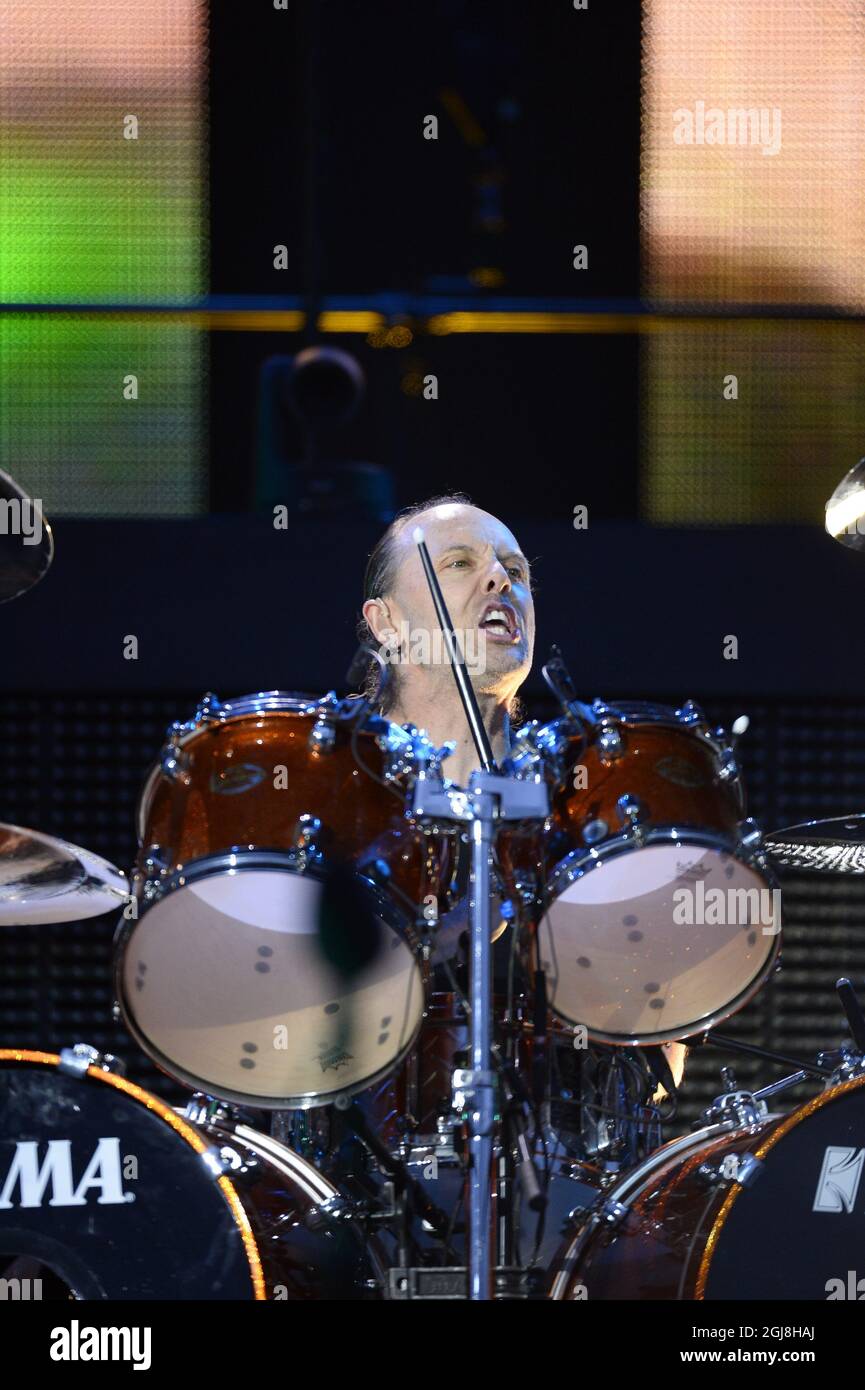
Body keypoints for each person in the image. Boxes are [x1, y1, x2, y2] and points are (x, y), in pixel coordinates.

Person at [355, 492, 686, 1132]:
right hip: (351, 1196)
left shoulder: (584, 805)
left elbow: (660, 1059)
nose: (500, 579)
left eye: (516, 570)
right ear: (388, 622)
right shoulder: (326, 800)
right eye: (457, 563)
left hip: (569, 1197)